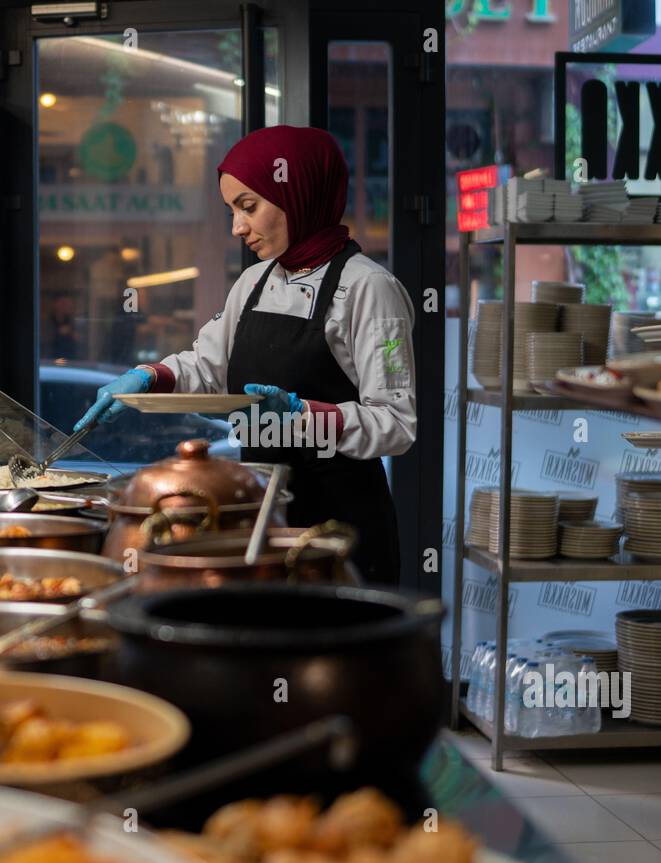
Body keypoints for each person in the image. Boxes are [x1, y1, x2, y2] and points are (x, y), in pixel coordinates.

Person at [75, 126, 416, 584]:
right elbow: (208, 366)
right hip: (261, 522)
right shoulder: (253, 282)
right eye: (233, 210)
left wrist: (302, 415)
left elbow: (395, 423)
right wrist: (148, 377)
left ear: (298, 194)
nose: (238, 227)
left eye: (248, 207)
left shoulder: (369, 289)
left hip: (340, 533)